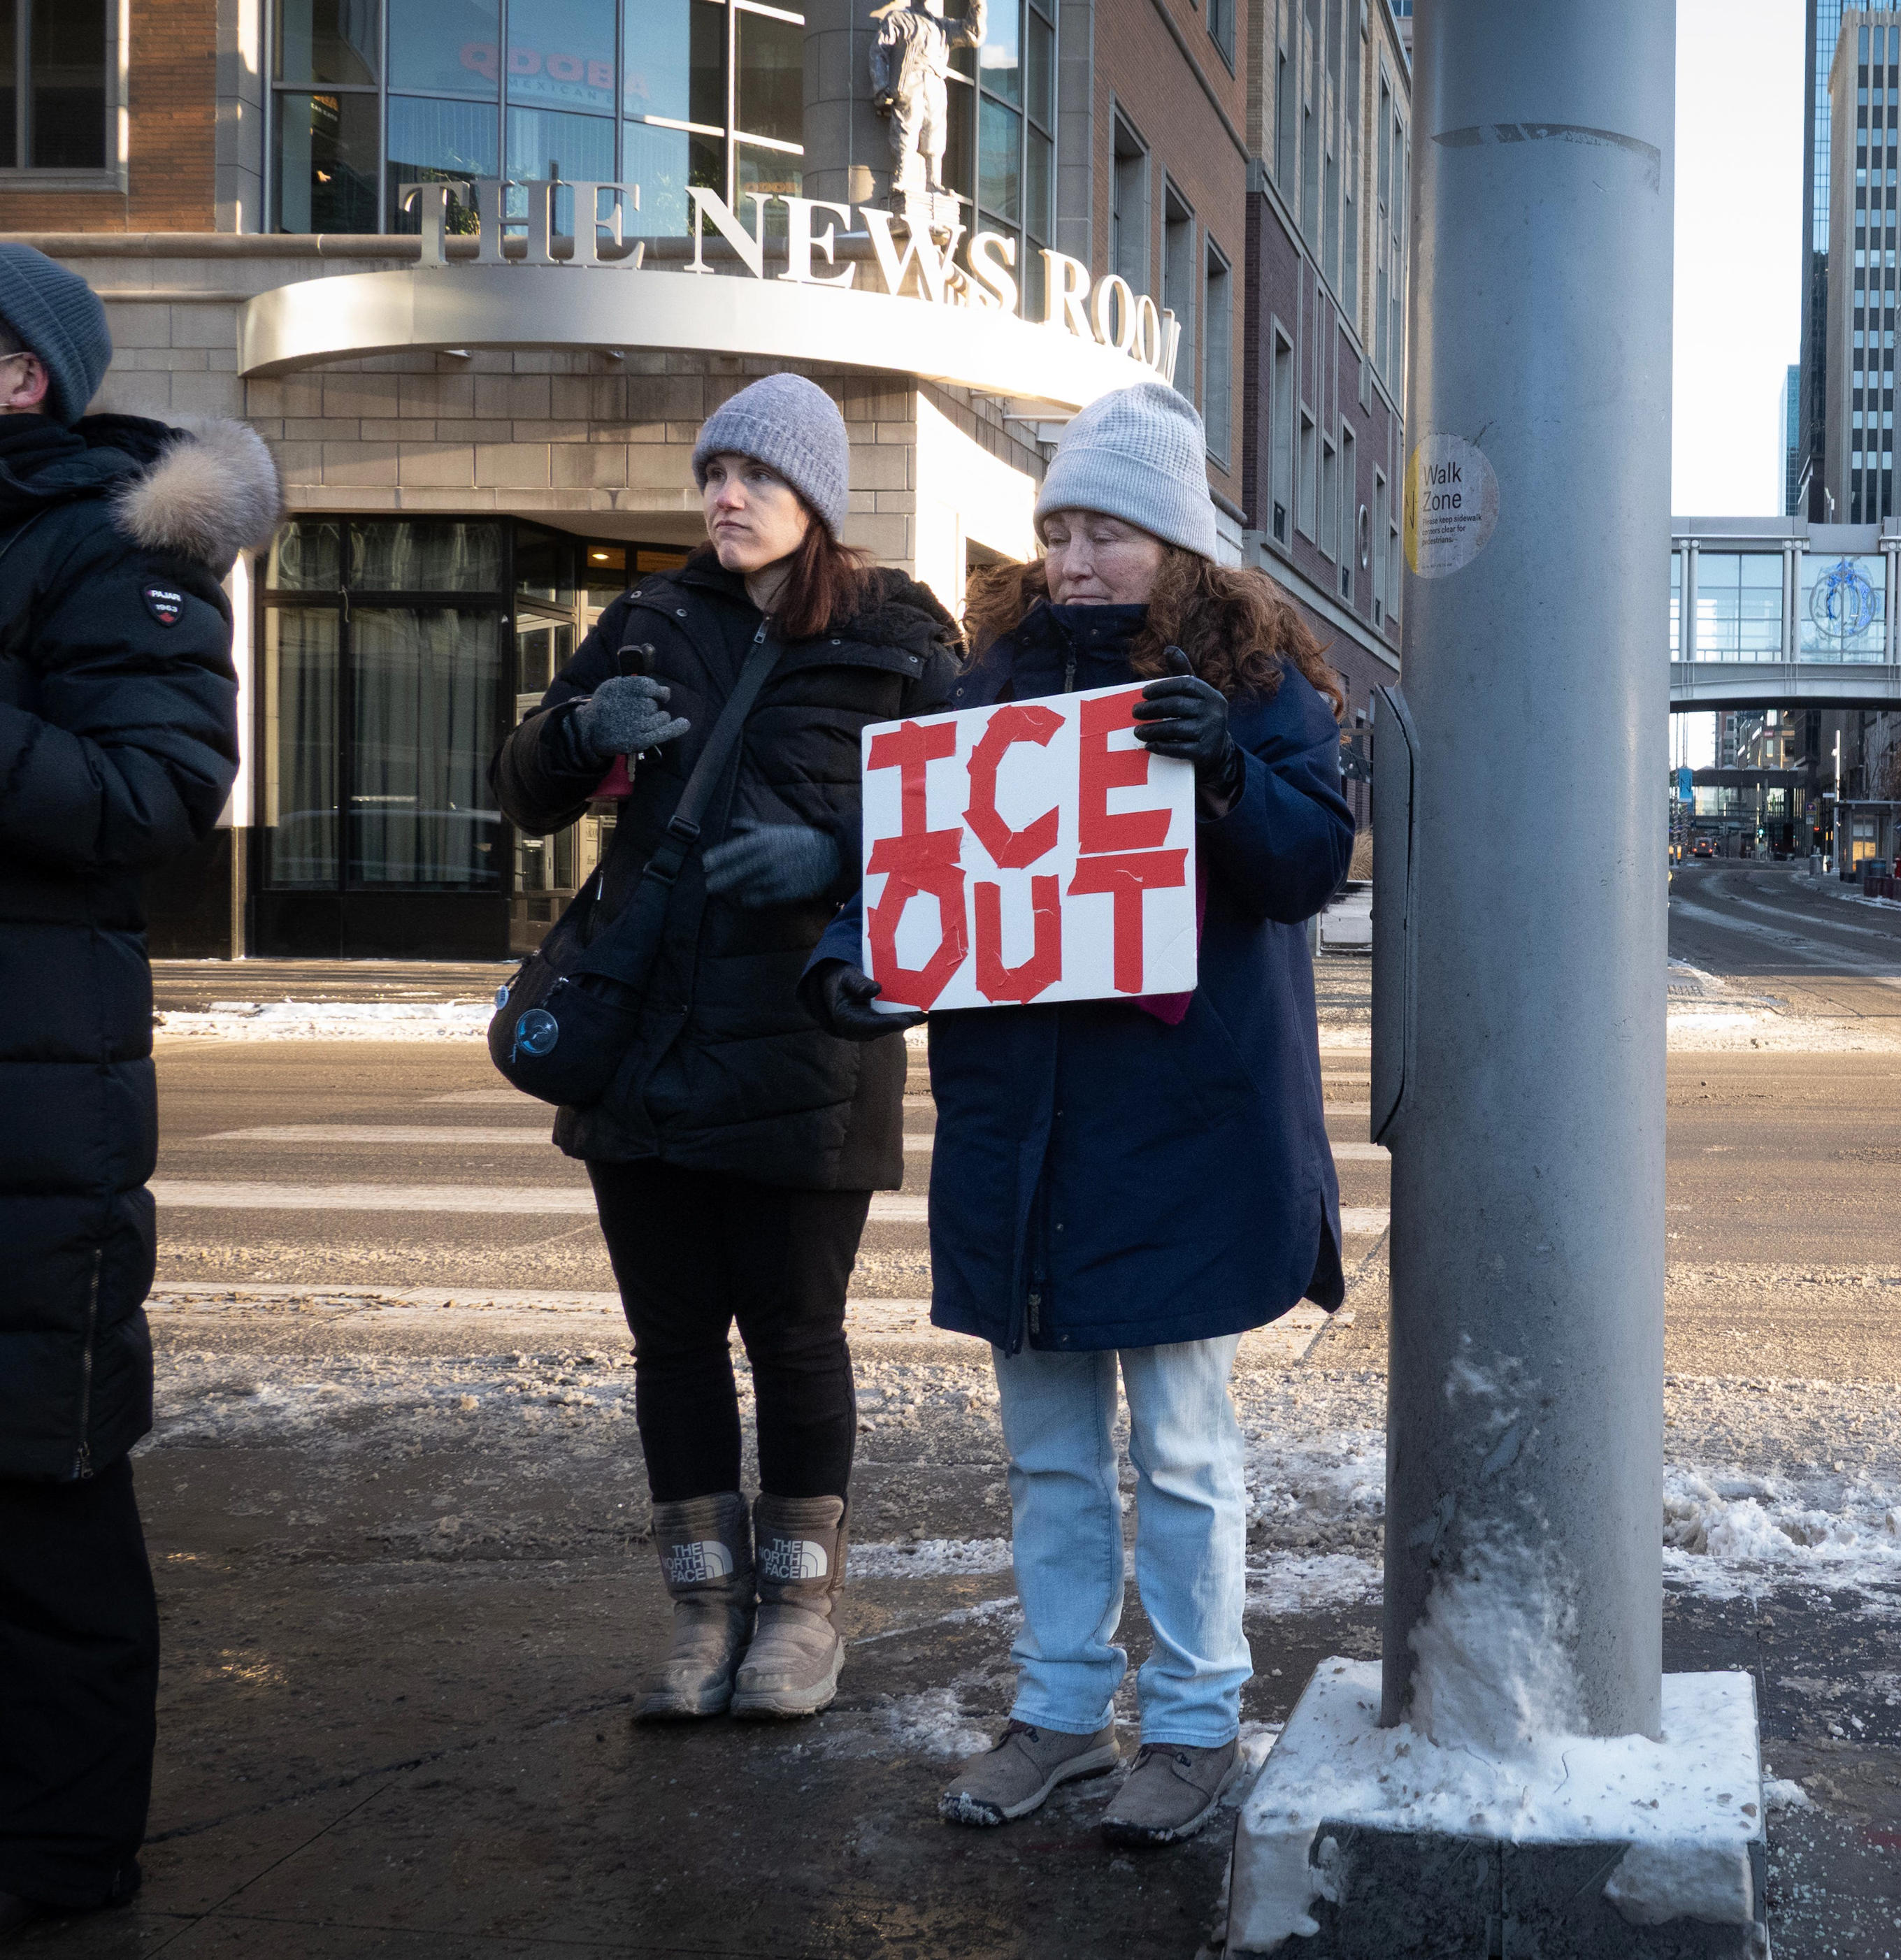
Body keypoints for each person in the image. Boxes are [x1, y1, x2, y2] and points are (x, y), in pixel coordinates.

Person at [801, 380, 1352, 1847]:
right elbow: (913, 873)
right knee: (1048, 1453)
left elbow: (1310, 866)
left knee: (1180, 1447)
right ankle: (1058, 1712)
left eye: (1107, 530)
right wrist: (858, 963)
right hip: (1021, 1132)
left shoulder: (1252, 680)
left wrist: (1228, 771)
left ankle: (1190, 1725)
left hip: (1179, 1130)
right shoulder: (988, 688)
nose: (1074, 559)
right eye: (1058, 530)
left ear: (1178, 545)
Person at [491, 373, 959, 1726]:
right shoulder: (644, 618)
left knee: (797, 1339)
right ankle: (704, 1612)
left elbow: (985, 824)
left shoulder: (903, 640)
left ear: (816, 495)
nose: (726, 496)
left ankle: (799, 1619)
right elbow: (521, 790)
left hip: (808, 1045)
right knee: (674, 1343)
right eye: (713, 474)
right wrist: (573, 734)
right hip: (647, 1038)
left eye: (755, 474)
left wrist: (841, 851)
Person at [0, 245, 277, 1936]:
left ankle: (63, 1854)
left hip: (35, 1100)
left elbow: (154, 791)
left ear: (26, 376)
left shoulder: (130, 550)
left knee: (45, 1485)